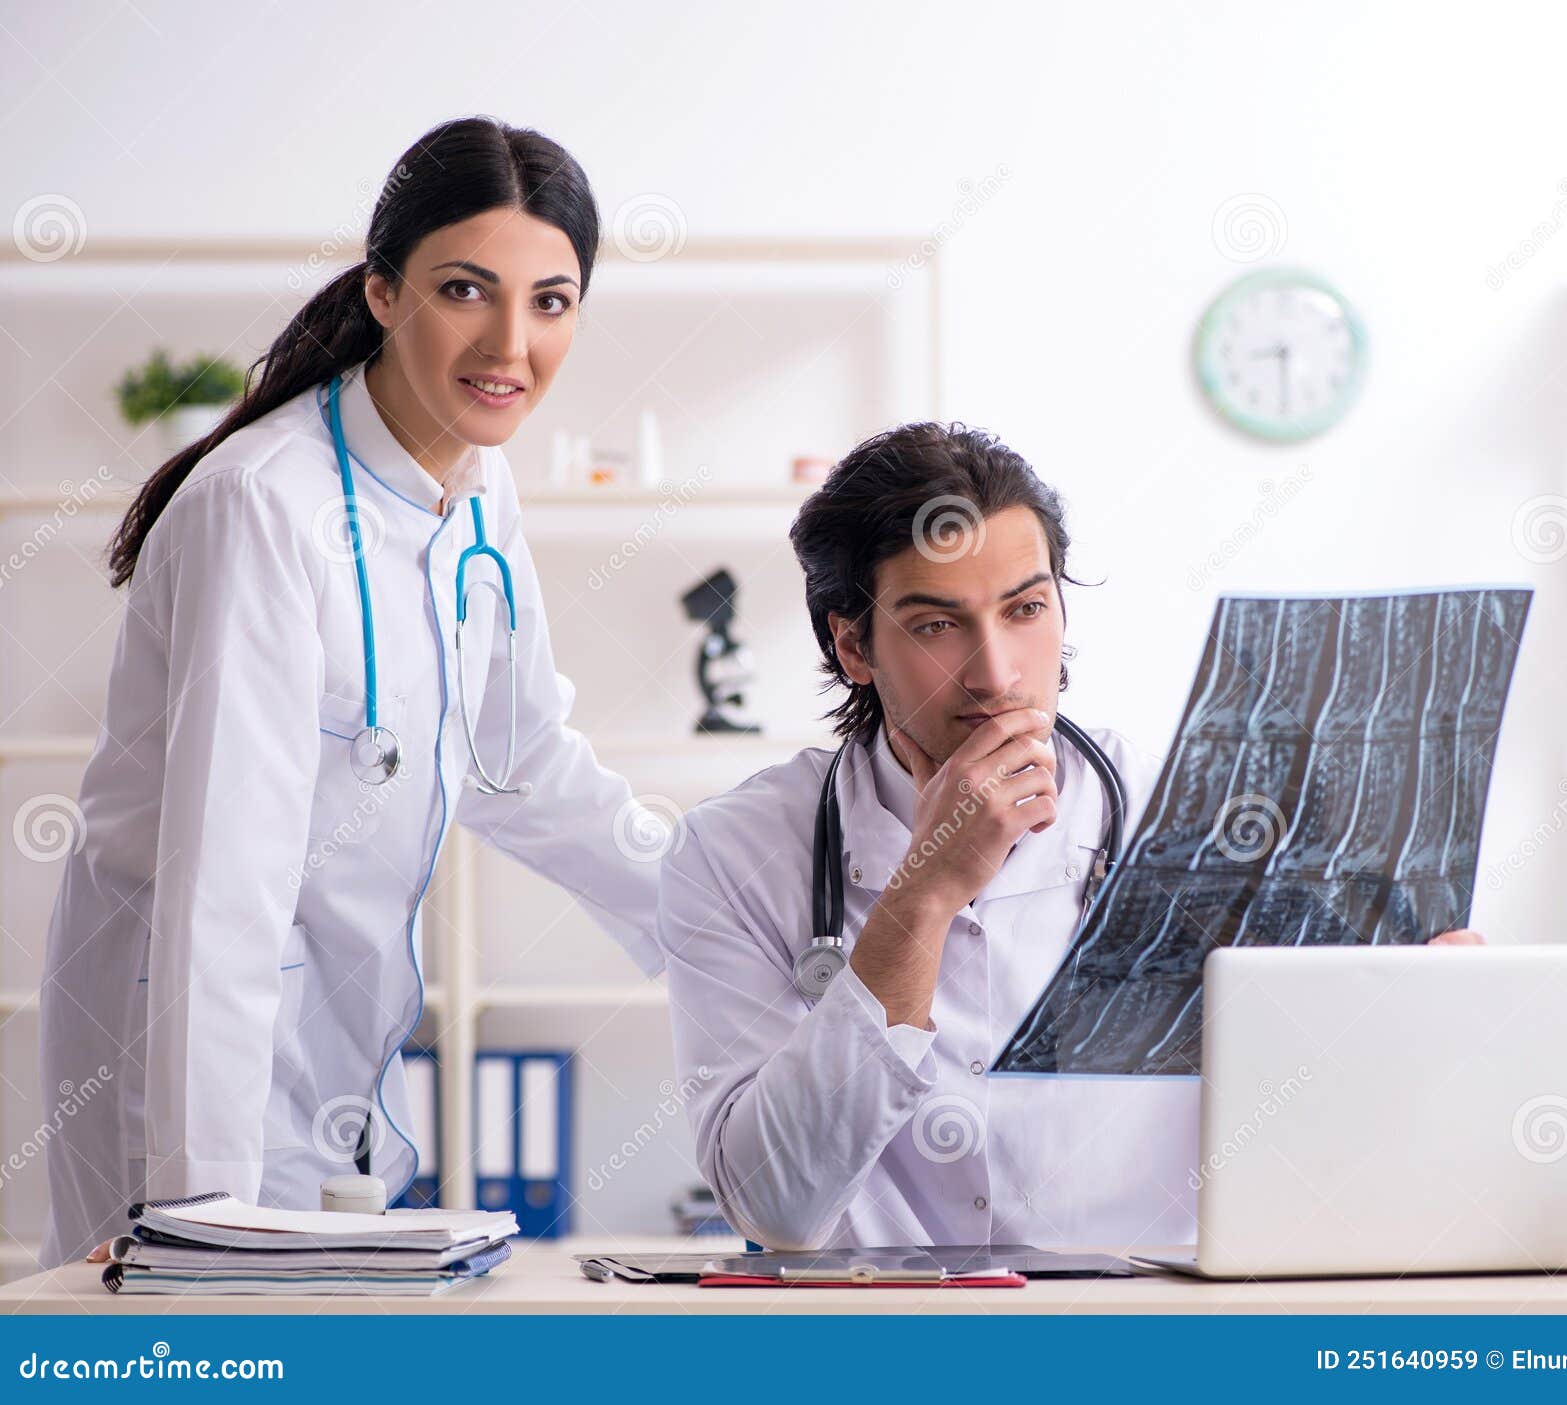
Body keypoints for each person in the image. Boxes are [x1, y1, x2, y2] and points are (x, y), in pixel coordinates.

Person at [38, 117, 664, 1269]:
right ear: (382, 291)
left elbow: (518, 759)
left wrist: (720, 921)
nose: (511, 342)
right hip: (181, 1049)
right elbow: (224, 886)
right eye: (466, 289)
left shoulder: (477, 488)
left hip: (336, 1041)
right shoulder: (263, 508)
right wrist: (203, 1220)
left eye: (553, 300)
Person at [657, 421, 1483, 1251]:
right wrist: (925, 892)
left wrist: (1420, 1013)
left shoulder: (1198, 817)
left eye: (1025, 609)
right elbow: (775, 1205)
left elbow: (1325, 1109)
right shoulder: (732, 856)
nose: (997, 672)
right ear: (852, 645)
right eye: (937, 624)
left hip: (1144, 1338)